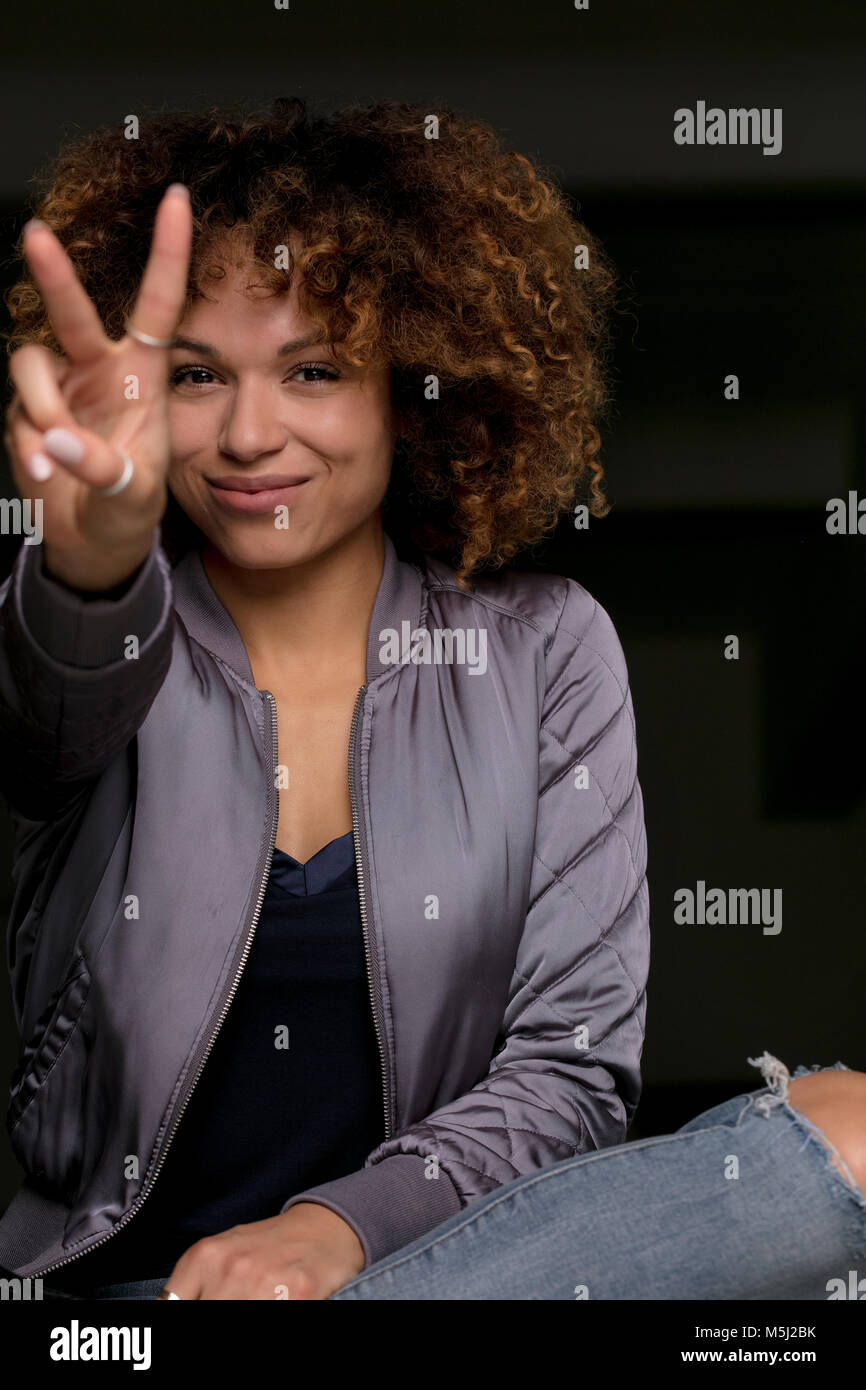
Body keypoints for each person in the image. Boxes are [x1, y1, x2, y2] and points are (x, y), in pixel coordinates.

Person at [0, 98, 863, 1302]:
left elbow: (567, 1076)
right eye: (197, 376)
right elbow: (46, 711)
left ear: (407, 389)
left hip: (434, 1279)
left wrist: (331, 1237)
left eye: (312, 369)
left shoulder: (546, 648)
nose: (250, 433)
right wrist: (90, 559)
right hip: (130, 1318)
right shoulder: (85, 637)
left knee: (853, 1133)